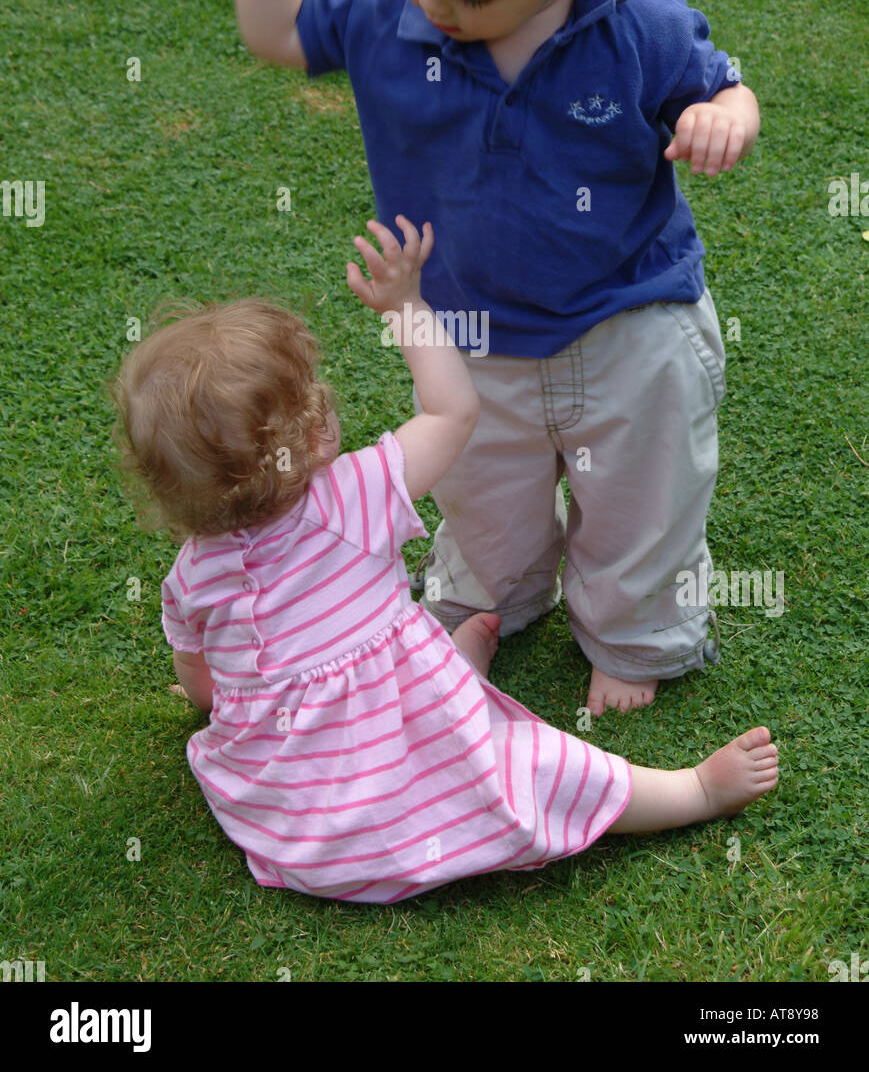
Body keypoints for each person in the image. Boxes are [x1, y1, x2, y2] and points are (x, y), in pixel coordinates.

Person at [208, 0, 761, 716]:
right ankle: (501, 592)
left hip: (627, 321)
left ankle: (633, 633)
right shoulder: (391, 8)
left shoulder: (637, 27)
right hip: (467, 332)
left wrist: (726, 117)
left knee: (642, 494)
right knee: (482, 496)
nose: (434, 3)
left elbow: (720, 86)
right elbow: (273, 23)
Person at [110, 219, 777, 904]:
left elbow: (203, 690)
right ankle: (692, 791)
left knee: (371, 686)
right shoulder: (354, 496)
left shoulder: (192, 576)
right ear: (315, 435)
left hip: (299, 832)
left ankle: (454, 668)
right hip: (397, 806)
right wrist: (407, 308)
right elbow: (453, 411)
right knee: (536, 763)